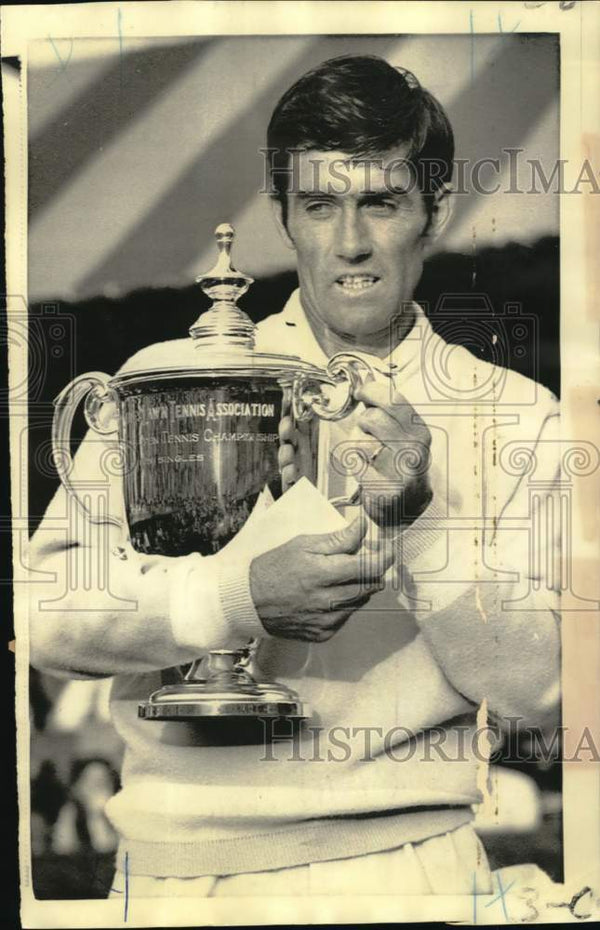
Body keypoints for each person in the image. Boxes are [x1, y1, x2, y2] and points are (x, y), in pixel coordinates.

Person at [28, 55, 561, 897]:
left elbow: (544, 689)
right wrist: (233, 598)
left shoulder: (519, 414)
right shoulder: (171, 381)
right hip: (179, 879)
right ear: (281, 214)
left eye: (380, 202)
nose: (350, 243)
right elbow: (43, 615)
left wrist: (418, 523)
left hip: (413, 875)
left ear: (434, 210)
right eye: (319, 205)